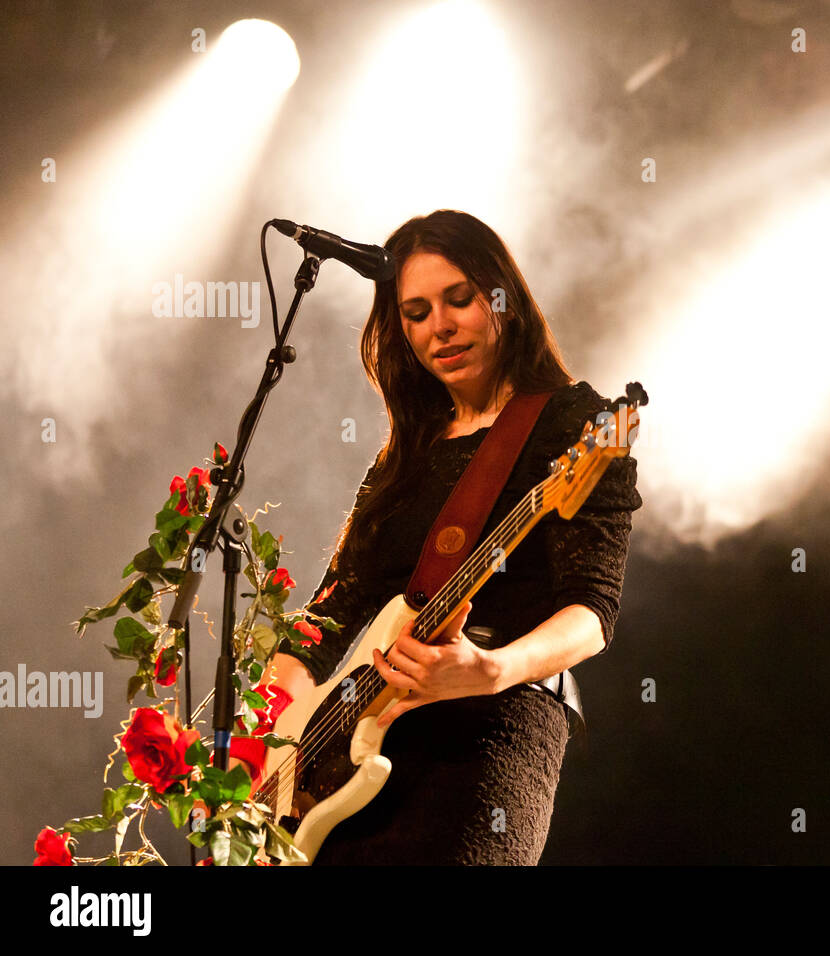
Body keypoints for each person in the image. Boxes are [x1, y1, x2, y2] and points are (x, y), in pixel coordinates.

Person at [249, 209, 641, 864]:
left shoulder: (577, 422)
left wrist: (492, 670)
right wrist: (271, 741)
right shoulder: (403, 456)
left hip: (484, 746)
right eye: (417, 311)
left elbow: (593, 610)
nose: (441, 327)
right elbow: (330, 614)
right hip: (336, 766)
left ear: (502, 298)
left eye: (459, 299)